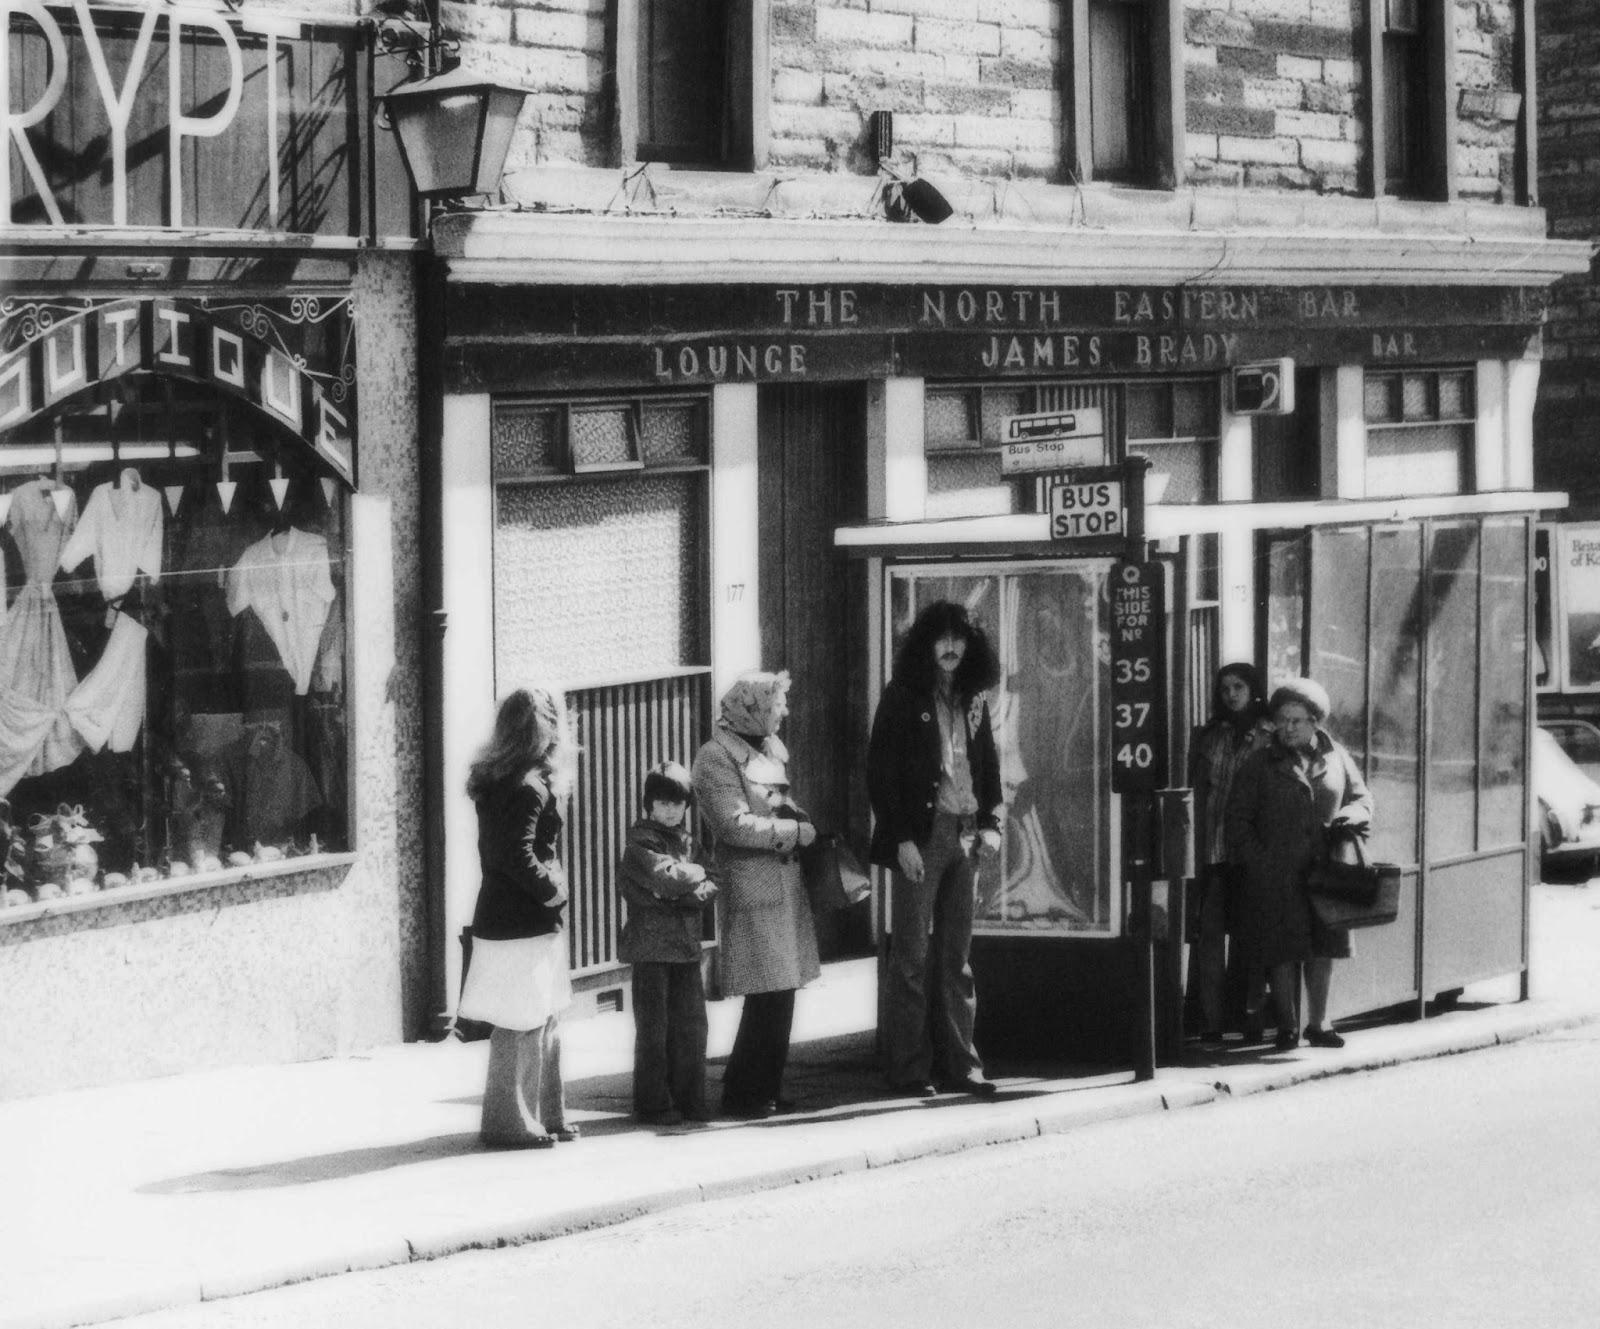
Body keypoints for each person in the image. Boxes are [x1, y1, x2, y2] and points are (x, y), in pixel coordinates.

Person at [868, 600, 1004, 1097]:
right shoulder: (903, 696)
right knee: (910, 957)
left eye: (959, 638)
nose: (950, 647)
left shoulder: (974, 699)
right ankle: (907, 1069)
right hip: (922, 839)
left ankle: (963, 1067)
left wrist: (993, 824)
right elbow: (879, 774)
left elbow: (989, 767)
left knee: (956, 958)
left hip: (966, 835)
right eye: (941, 638)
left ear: (971, 646)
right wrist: (901, 838)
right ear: (926, 644)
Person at [692, 671, 820, 1119]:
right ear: (754, 705)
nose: (783, 710)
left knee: (782, 989)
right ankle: (745, 1090)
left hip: (782, 881)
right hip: (753, 882)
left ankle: (765, 1082)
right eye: (777, 702)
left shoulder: (765, 748)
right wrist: (794, 831)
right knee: (766, 991)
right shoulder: (715, 756)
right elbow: (732, 824)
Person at [458, 687, 579, 1148]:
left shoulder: (504, 779)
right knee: (525, 1022)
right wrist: (552, 892)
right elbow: (514, 853)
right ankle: (512, 1122)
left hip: (511, 919)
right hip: (523, 920)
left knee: (540, 1018)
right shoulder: (527, 785)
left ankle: (546, 1117)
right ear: (545, 727)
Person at [1226, 677, 1373, 1052]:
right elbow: (1237, 821)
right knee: (1281, 949)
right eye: (1282, 720)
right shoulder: (1260, 762)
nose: (1287, 728)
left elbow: (1362, 798)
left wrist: (1352, 815)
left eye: (1297, 721)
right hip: (1277, 872)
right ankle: (1288, 1027)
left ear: (1315, 722)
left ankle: (1319, 1023)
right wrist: (1260, 863)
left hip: (1325, 869)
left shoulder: (1336, 756)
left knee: (1324, 946)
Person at [618, 760, 717, 1126]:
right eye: (663, 802)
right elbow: (668, 877)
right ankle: (653, 1103)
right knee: (654, 1030)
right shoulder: (639, 842)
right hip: (651, 949)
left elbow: (711, 880)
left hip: (686, 948)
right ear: (649, 804)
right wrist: (694, 878)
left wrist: (686, 891)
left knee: (691, 1026)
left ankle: (690, 1099)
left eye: (677, 803)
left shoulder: (690, 842)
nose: (671, 809)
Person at [1187, 662, 1272, 1045]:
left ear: (1253, 690)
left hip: (1251, 851)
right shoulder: (1210, 736)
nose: (1232, 695)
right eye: (1225, 689)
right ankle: (1210, 1019)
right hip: (1212, 849)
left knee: (1250, 937)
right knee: (1208, 935)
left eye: (1239, 687)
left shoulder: (1268, 734)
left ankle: (1249, 1016)